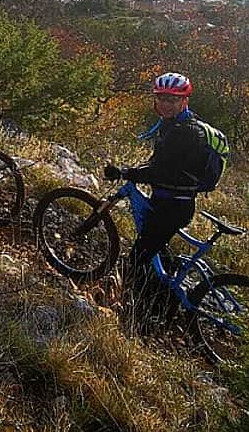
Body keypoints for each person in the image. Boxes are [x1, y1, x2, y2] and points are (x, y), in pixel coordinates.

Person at [104, 72, 210, 322]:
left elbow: (162, 171)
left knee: (137, 258)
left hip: (173, 206)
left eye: (172, 100)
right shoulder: (172, 125)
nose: (165, 104)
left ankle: (141, 315)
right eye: (161, 98)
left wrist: (125, 173)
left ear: (184, 101)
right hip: (169, 201)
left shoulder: (185, 132)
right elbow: (161, 164)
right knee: (155, 250)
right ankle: (162, 298)